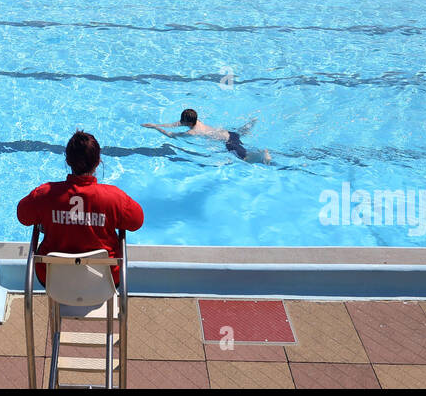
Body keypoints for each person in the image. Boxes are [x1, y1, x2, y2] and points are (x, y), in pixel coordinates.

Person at [17, 130, 144, 286]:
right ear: (98, 162)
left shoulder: (44, 194)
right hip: (106, 278)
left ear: (68, 161)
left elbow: (23, 217)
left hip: (52, 277)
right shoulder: (114, 198)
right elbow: (136, 222)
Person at [142, 108, 271, 164]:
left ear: (188, 123)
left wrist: (155, 128)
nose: (180, 123)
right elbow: (173, 125)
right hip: (229, 133)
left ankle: (261, 155)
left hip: (228, 143)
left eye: (183, 121)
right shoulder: (197, 121)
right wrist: (156, 124)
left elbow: (170, 135)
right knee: (239, 133)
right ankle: (249, 126)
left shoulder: (192, 132)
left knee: (245, 159)